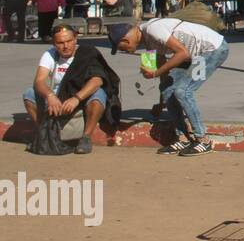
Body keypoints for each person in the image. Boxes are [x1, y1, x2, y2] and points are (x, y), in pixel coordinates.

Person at [109, 15, 230, 156]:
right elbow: (163, 75)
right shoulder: (147, 43)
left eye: (123, 48)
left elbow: (182, 53)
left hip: (211, 50)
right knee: (168, 90)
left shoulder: (153, 30)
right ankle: (183, 138)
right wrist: (161, 102)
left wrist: (154, 73)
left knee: (183, 91)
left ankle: (203, 140)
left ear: (125, 39)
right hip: (193, 55)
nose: (126, 52)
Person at [21, 22, 119, 154]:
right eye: (60, 43)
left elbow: (97, 80)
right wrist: (50, 96)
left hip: (80, 98)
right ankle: (43, 134)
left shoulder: (87, 53)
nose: (65, 46)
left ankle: (86, 138)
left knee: (99, 95)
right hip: (57, 98)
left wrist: (76, 98)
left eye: (69, 41)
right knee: (29, 94)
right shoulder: (50, 55)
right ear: (54, 44)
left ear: (75, 39)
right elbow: (39, 81)